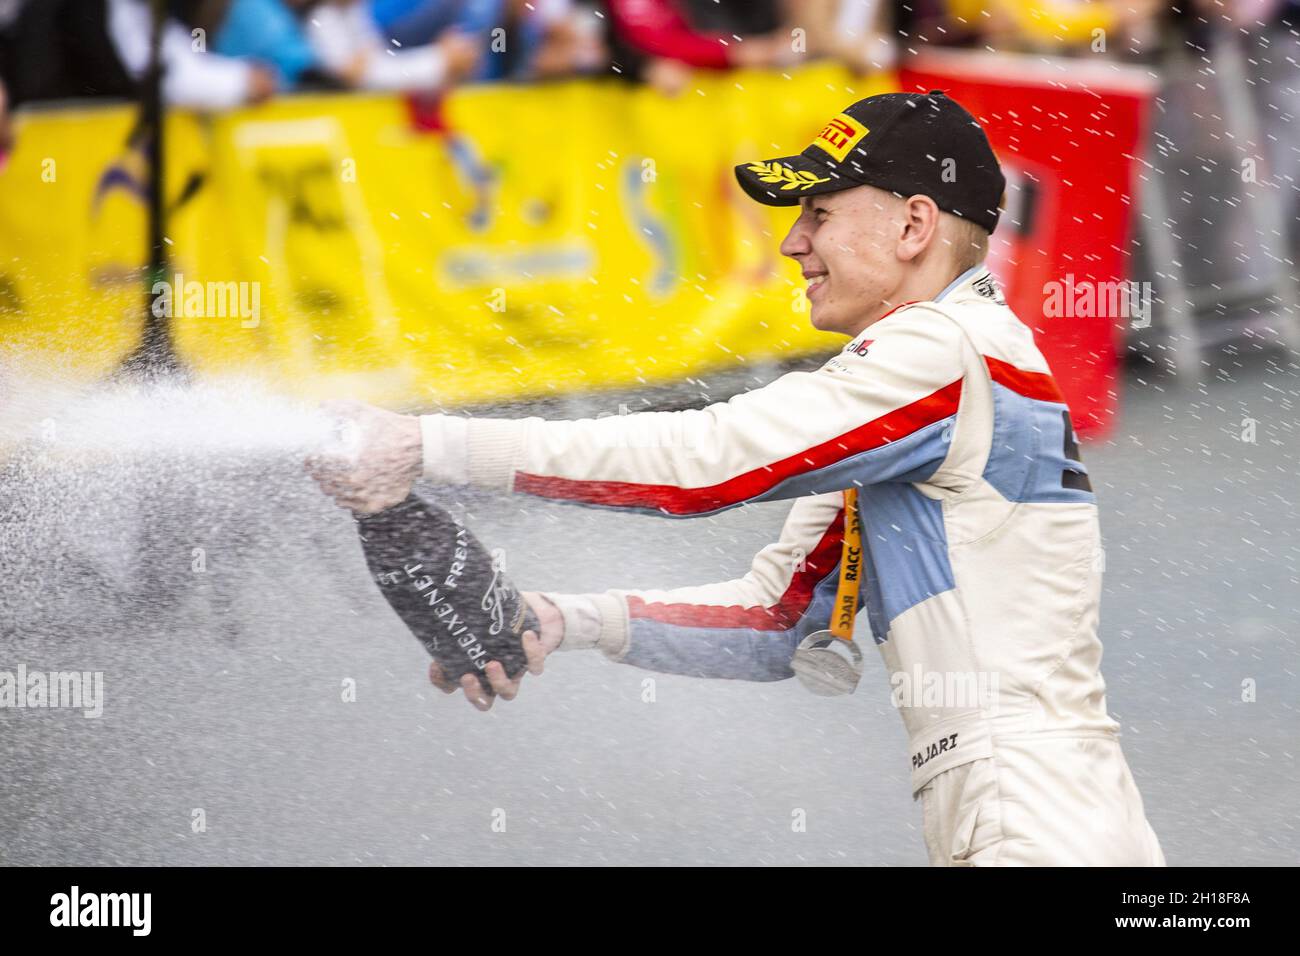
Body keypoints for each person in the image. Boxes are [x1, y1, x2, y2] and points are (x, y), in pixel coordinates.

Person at [312, 90, 1167, 866]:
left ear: (913, 227)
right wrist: (558, 620)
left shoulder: (937, 350)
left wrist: (428, 446)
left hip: (1025, 814)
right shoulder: (944, 375)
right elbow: (777, 621)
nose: (794, 243)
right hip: (1056, 807)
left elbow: (705, 466)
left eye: (820, 213)